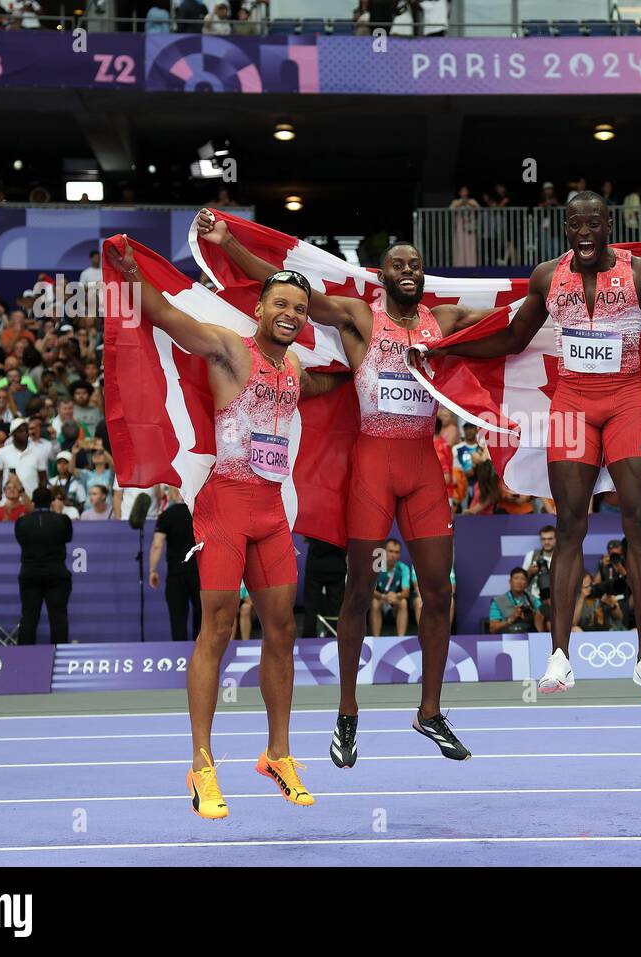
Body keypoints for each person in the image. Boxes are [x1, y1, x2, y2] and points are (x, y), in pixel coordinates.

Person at [415, 190, 641, 704]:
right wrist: (445, 349)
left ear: (607, 226)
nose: (583, 231)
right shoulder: (547, 276)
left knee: (638, 520)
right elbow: (511, 339)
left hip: (626, 404)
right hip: (573, 405)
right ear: (567, 228)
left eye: (592, 222)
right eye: (574, 223)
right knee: (570, 524)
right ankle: (560, 658)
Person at [198, 209, 489, 764]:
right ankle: (347, 714)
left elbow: (510, 322)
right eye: (396, 263)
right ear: (381, 276)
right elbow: (286, 288)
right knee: (356, 592)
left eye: (415, 263)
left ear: (424, 274)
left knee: (439, 591)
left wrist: (565, 301)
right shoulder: (360, 315)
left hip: (422, 464)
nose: (407, 269)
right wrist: (229, 241)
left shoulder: (443, 321)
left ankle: (429, 711)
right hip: (373, 462)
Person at [107, 235, 348, 819]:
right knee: (216, 629)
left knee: (282, 632)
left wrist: (360, 375)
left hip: (270, 510)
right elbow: (164, 314)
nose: (291, 315)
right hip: (223, 506)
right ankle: (202, 766)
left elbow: (320, 386)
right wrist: (131, 267)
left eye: (299, 308)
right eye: (281, 305)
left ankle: (278, 756)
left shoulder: (292, 365)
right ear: (259, 310)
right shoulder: (227, 349)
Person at [15, 486, 73, 645]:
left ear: (32, 503)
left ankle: (24, 656)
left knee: (28, 616)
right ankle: (61, 653)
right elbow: (68, 537)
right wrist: (59, 514)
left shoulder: (22, 522)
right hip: (57, 574)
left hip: (30, 574)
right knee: (59, 616)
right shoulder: (62, 520)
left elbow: (21, 540)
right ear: (51, 502)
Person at [148, 487, 202, 643]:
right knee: (201, 620)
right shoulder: (200, 513)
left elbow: (157, 545)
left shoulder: (166, 515)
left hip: (176, 574)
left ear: (174, 493)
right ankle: (201, 659)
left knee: (178, 619)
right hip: (199, 574)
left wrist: (152, 570)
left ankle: (180, 659)